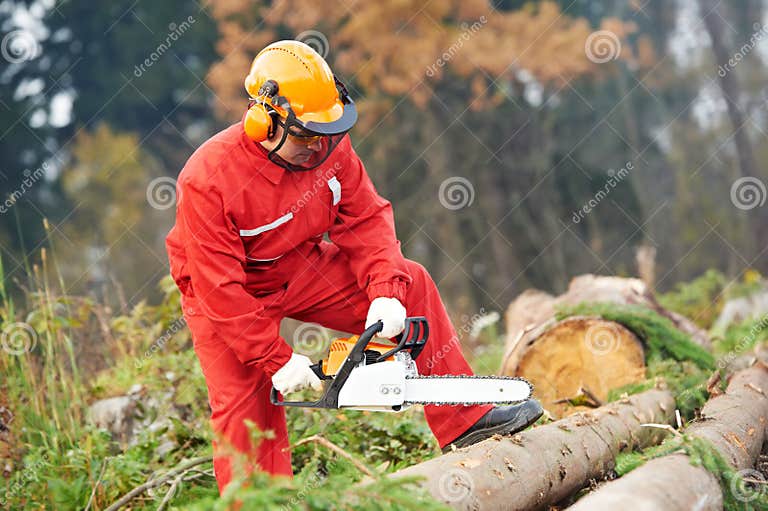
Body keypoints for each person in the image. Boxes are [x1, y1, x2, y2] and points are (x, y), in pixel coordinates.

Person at [165, 40, 543, 494]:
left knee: (412, 282)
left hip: (298, 265)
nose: (318, 147)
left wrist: (384, 288)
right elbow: (218, 290)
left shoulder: (329, 150)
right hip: (225, 294)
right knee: (246, 406)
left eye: (326, 133)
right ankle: (260, 502)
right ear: (263, 123)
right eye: (306, 136)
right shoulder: (208, 178)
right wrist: (276, 359)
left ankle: (465, 417)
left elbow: (365, 218)